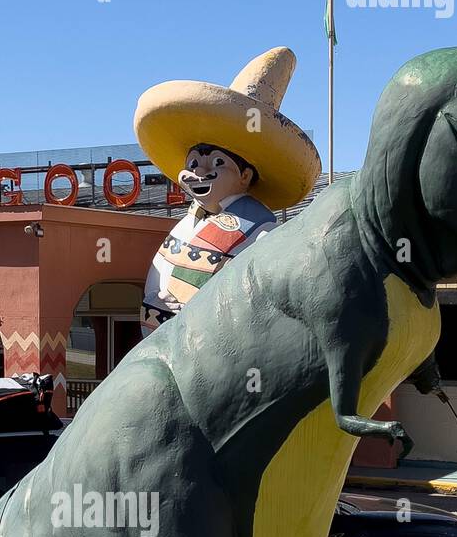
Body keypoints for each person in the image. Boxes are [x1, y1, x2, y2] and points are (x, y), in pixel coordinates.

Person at [133, 47, 321, 335]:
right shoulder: (187, 223)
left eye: (218, 163)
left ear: (245, 176)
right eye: (193, 162)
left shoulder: (263, 233)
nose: (200, 172)